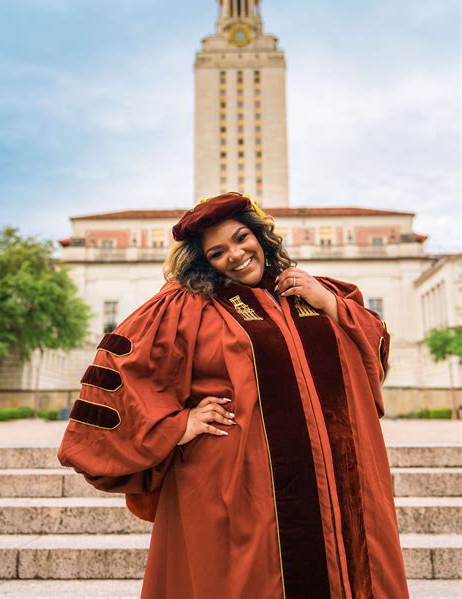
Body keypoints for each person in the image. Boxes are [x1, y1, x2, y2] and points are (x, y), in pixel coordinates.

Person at [57, 192, 410, 599]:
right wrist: (177, 425)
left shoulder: (311, 291)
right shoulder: (187, 307)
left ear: (260, 235)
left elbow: (371, 357)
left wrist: (330, 303)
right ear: (203, 260)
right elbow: (124, 366)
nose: (237, 255)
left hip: (342, 486)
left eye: (242, 238)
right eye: (218, 251)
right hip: (241, 493)